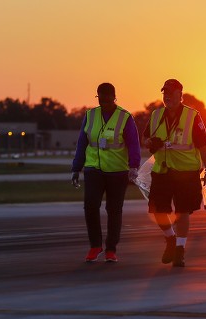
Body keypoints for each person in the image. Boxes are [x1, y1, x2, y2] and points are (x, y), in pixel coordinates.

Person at [143, 79, 206, 267]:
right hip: (162, 170)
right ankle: (170, 239)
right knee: (158, 211)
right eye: (164, 92)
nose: (167, 96)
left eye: (171, 93)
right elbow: (146, 139)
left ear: (180, 95)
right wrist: (151, 143)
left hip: (186, 173)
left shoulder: (193, 116)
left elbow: (203, 146)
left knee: (182, 213)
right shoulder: (156, 115)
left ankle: (180, 250)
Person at [71, 83, 141, 263]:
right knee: (90, 206)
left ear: (114, 97)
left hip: (117, 171)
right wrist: (76, 167)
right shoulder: (90, 115)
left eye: (107, 98)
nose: (103, 102)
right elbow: (82, 143)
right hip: (93, 169)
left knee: (114, 210)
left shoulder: (125, 117)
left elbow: (134, 143)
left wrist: (134, 166)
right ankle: (95, 245)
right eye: (100, 98)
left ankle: (111, 249)